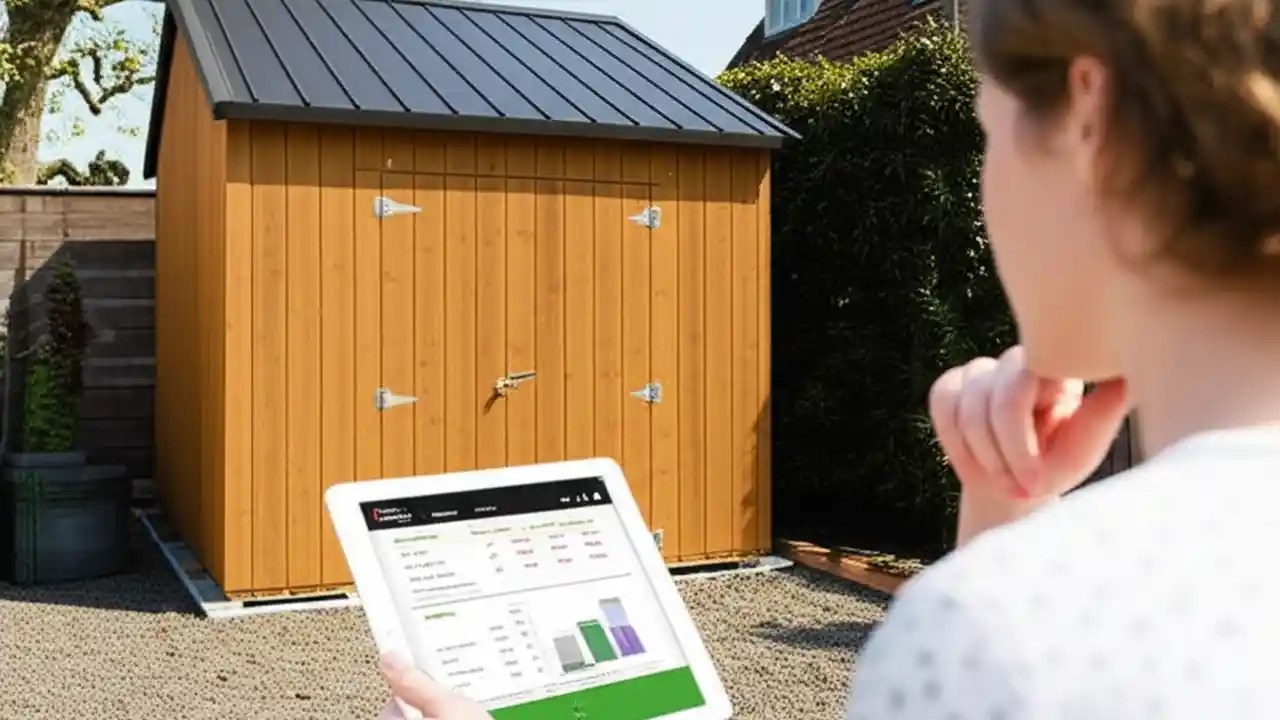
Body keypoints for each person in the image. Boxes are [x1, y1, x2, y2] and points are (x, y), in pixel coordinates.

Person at [372, 0, 1280, 716]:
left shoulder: (997, 636)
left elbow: (1015, 659)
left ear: (1089, 119)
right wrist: (1001, 519)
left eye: (989, 132)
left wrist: (996, 581)